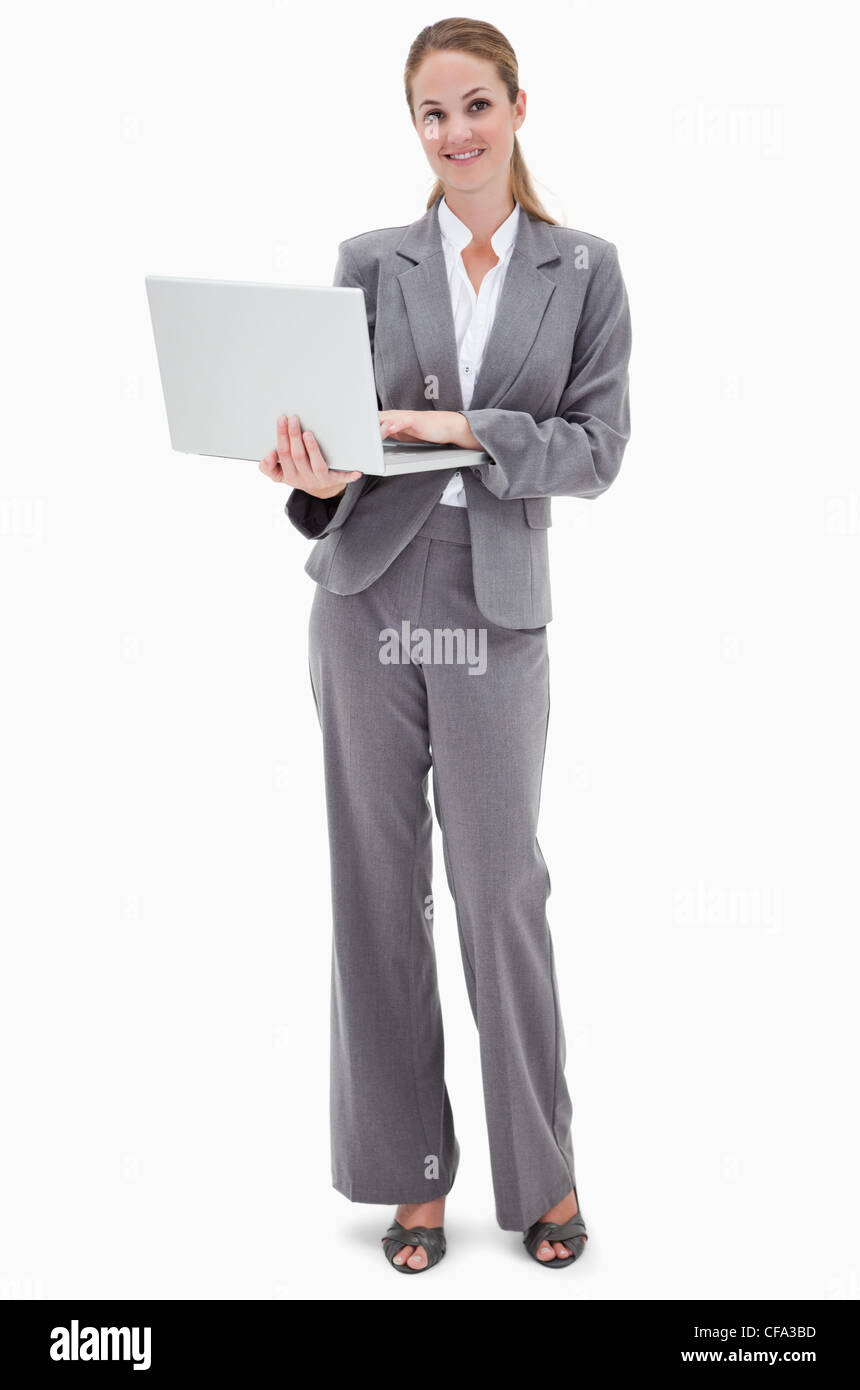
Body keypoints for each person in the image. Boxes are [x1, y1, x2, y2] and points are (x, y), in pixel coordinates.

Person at [260, 16, 631, 1272]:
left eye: (475, 106)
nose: (455, 133)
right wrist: (308, 475)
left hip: (495, 602)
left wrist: (468, 429)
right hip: (363, 589)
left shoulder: (583, 269)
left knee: (496, 887)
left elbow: (596, 449)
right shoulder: (372, 262)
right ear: (412, 129)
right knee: (373, 886)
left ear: (519, 108)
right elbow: (331, 456)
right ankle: (407, 1174)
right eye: (431, 115)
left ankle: (543, 1176)